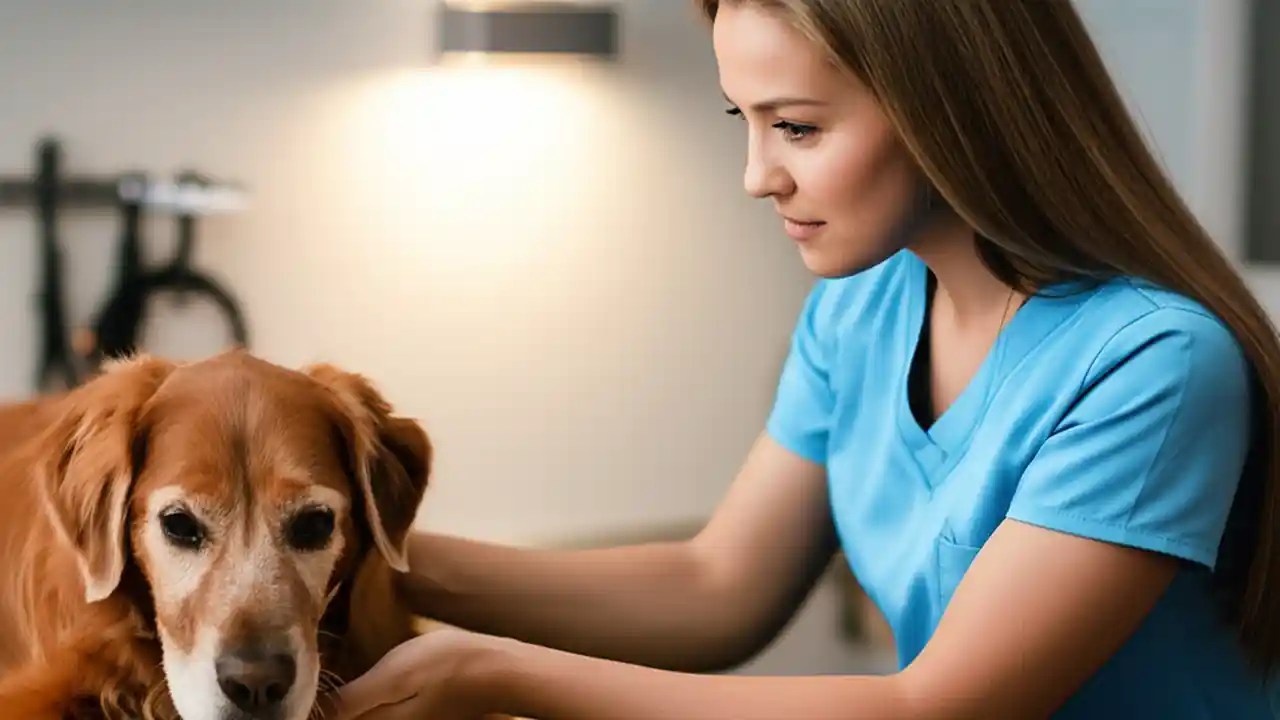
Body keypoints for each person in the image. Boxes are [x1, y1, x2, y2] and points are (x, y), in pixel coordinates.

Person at [333, 1, 1280, 718]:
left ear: (950, 109)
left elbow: (936, 708)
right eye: (740, 120)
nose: (758, 175)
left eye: (796, 127)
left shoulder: (1155, 364)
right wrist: (371, 559)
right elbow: (717, 590)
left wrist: (483, 671)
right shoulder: (860, 307)